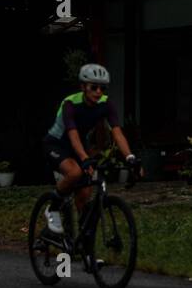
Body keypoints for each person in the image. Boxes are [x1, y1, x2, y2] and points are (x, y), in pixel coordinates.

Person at [41, 63, 140, 237]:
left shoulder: (105, 104)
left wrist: (130, 157)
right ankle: (52, 209)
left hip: (79, 146)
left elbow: (117, 133)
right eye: (94, 87)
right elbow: (72, 134)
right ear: (83, 87)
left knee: (85, 192)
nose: (98, 92)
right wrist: (84, 158)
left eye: (102, 88)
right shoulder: (70, 104)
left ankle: (85, 247)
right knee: (74, 173)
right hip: (57, 144)